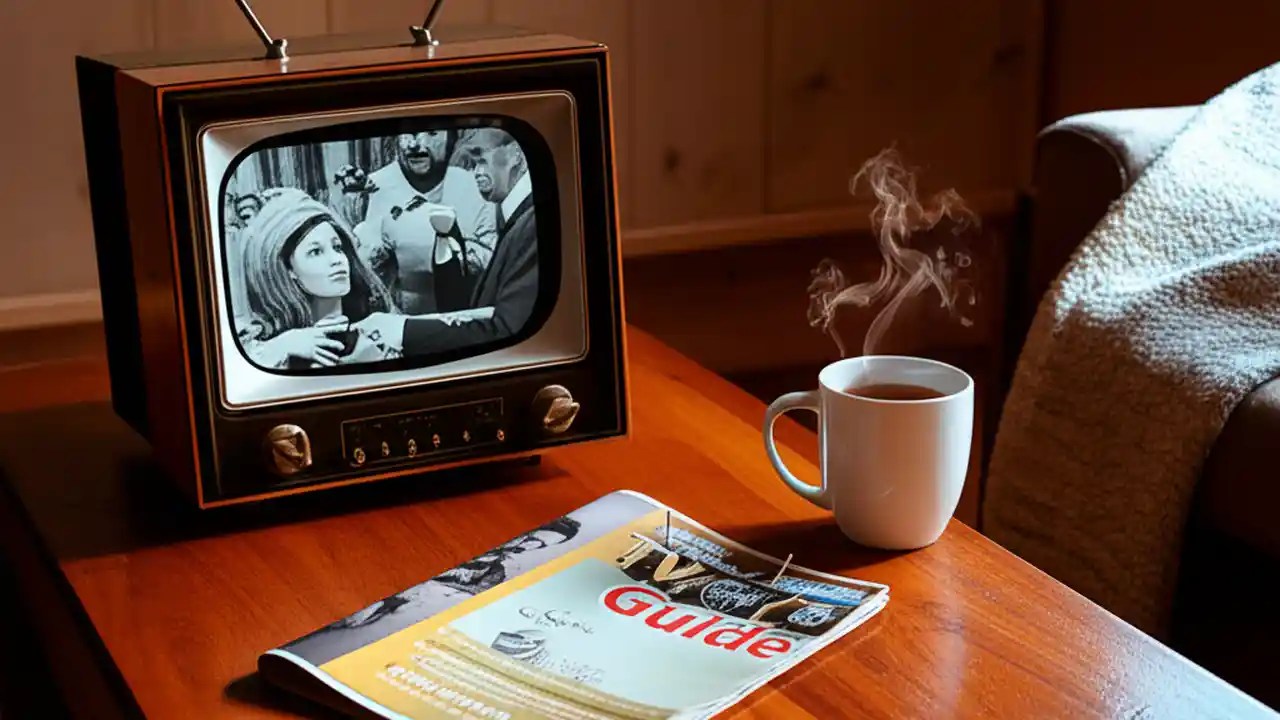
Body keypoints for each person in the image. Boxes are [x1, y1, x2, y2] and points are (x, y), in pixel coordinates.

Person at [355, 129, 539, 356]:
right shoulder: (378, 185)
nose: (477, 173)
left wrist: (403, 331)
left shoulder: (528, 221)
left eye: (482, 160)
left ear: (517, 155)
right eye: (473, 164)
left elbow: (506, 326)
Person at [237, 188, 398, 370]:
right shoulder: (266, 349)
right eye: (316, 252)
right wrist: (282, 346)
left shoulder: (381, 324)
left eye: (337, 248)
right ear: (289, 270)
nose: (336, 260)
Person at [360, 130, 497, 314]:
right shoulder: (374, 186)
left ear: (450, 138)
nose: (415, 145)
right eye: (407, 134)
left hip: (467, 319)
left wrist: (451, 240)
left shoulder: (473, 184)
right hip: (401, 324)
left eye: (432, 133)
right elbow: (364, 274)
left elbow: (494, 263)